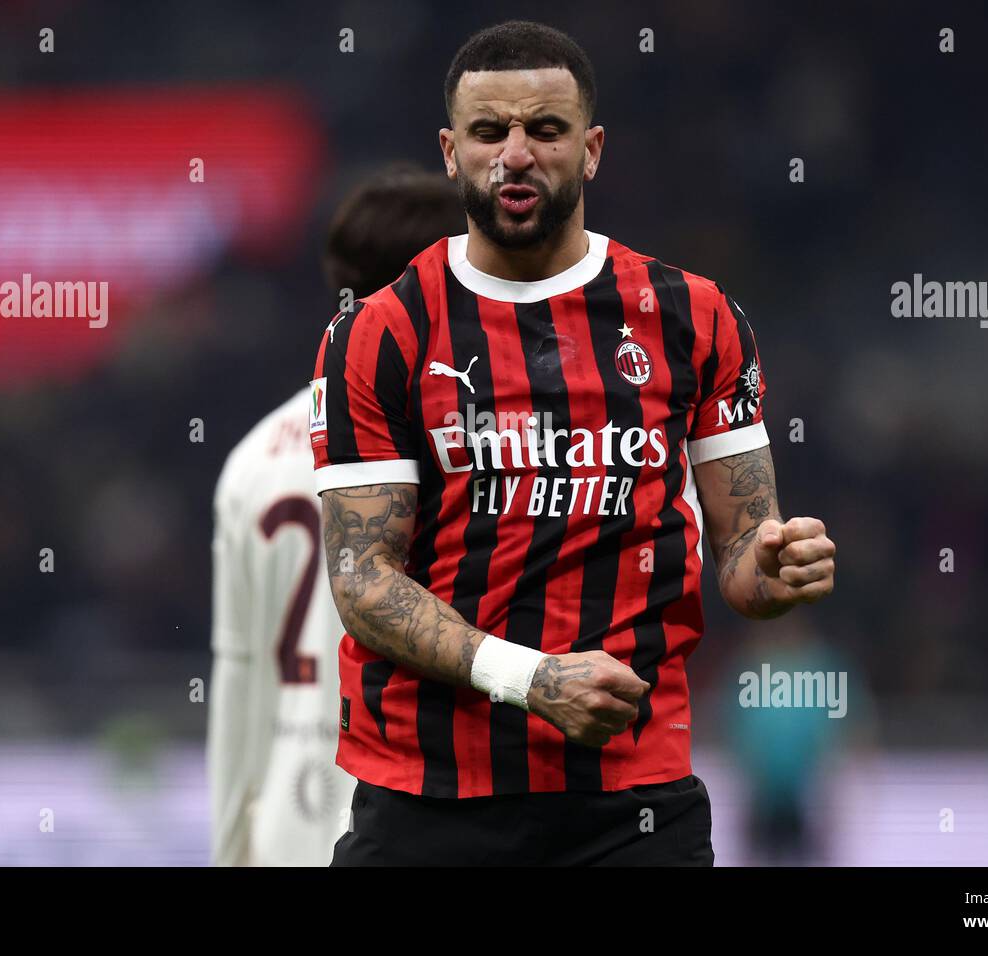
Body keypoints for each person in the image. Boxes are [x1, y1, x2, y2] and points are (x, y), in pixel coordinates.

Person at [311, 21, 836, 866]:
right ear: (450, 152)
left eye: (545, 130)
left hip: (630, 803)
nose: (515, 153)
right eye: (489, 132)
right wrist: (533, 681)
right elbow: (363, 580)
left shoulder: (694, 317)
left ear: (591, 150)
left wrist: (772, 571)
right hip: (428, 798)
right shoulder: (380, 333)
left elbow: (744, 552)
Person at [208, 164, 464, 865]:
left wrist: (231, 852)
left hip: (290, 811)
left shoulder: (253, 457)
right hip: (420, 803)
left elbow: (239, 678)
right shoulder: (462, 446)